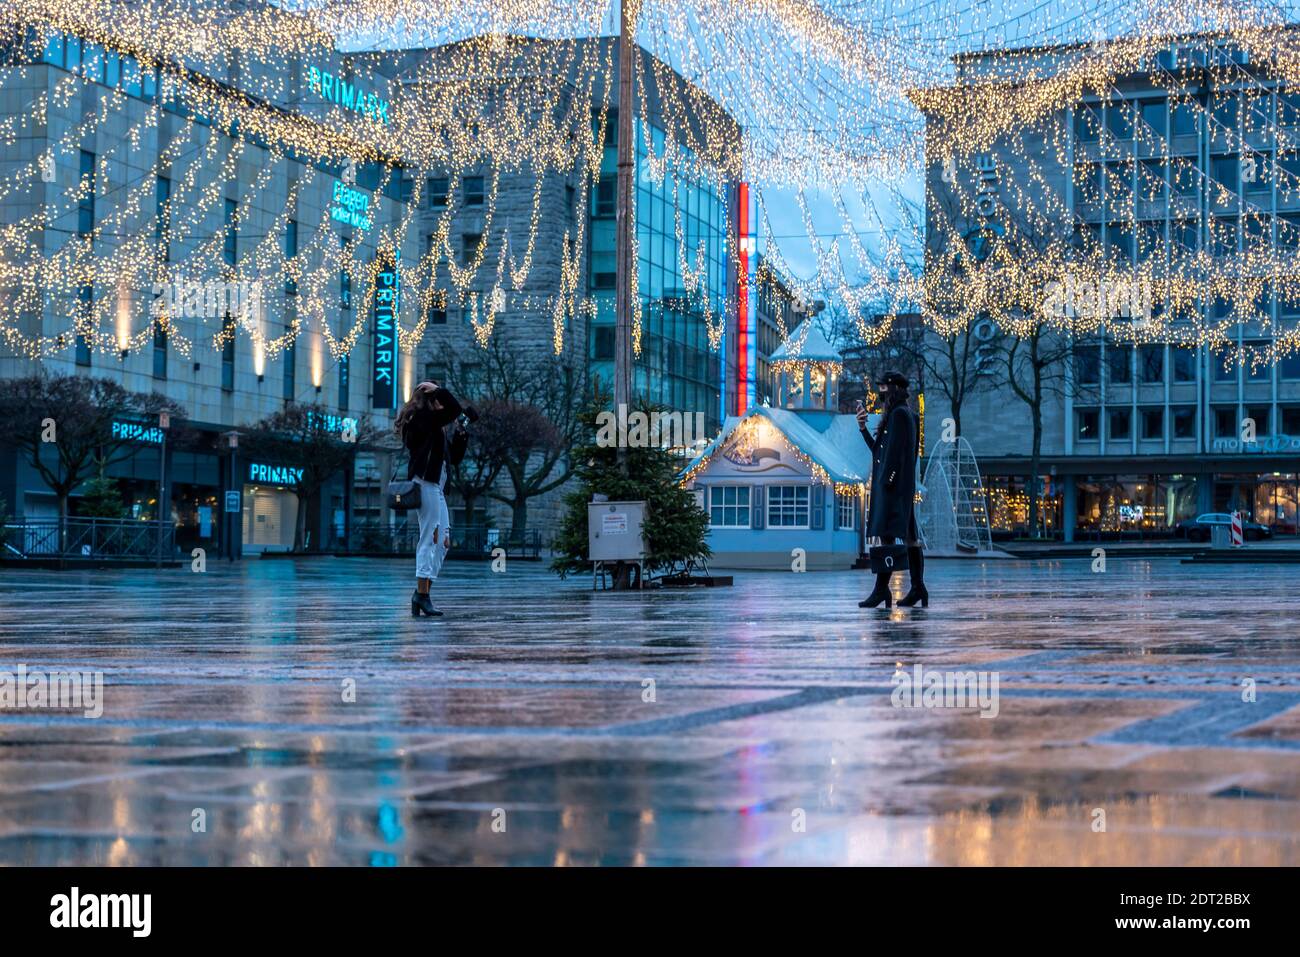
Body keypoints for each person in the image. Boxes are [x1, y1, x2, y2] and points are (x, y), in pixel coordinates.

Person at [394, 381, 469, 617]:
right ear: (429, 398)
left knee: (443, 543)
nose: (441, 402)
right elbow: (455, 408)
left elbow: (453, 458)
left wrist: (461, 433)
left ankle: (423, 592)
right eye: (437, 397)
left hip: (437, 488)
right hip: (425, 484)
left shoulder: (435, 428)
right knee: (428, 539)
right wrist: (437, 390)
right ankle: (422, 595)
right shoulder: (420, 419)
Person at [856, 371, 927, 609]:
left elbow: (896, 456)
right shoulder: (901, 413)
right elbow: (879, 452)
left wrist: (888, 482)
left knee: (888, 535)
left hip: (893, 488)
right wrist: (863, 428)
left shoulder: (899, 415)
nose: (882, 393)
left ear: (894, 389)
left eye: (885, 388)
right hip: (897, 486)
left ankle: (882, 590)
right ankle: (916, 588)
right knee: (909, 538)